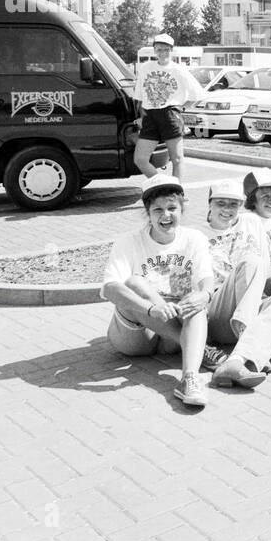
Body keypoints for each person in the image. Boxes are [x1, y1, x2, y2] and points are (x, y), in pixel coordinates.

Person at [100, 174, 215, 408]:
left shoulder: (194, 238)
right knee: (134, 282)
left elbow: (206, 279)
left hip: (172, 329)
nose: (166, 215)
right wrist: (152, 309)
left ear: (182, 209)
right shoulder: (128, 242)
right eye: (157, 210)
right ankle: (197, 346)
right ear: (147, 212)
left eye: (172, 207)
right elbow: (110, 289)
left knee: (196, 300)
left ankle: (189, 379)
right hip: (138, 335)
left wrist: (205, 294)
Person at [196, 179, 271, 389]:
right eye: (221, 203)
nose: (227, 209)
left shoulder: (251, 222)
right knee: (251, 260)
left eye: (233, 204)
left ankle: (236, 360)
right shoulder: (197, 235)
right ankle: (251, 346)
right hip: (218, 311)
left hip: (248, 305)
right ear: (209, 204)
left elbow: (266, 272)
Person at [132, 33, 204, 181]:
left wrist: (180, 109)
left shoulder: (179, 69)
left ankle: (177, 191)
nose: (163, 53)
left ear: (172, 51)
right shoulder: (145, 68)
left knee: (177, 159)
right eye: (159, 49)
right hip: (150, 116)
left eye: (166, 50)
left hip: (170, 115)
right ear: (154, 51)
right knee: (140, 159)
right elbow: (139, 96)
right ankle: (164, 184)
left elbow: (197, 94)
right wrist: (140, 116)